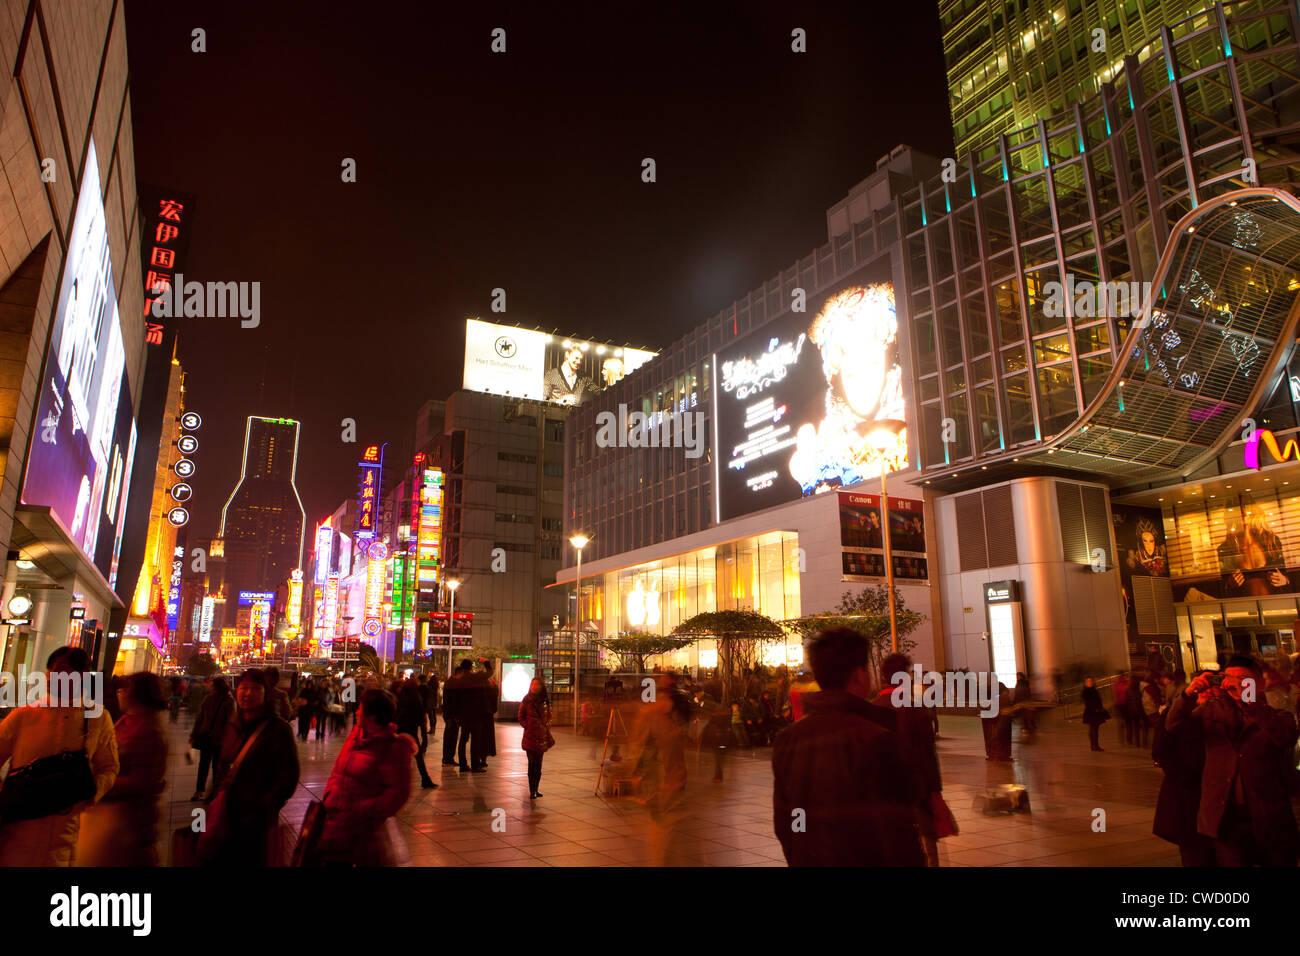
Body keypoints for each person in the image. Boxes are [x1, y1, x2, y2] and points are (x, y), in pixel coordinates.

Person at [772, 628, 923, 866]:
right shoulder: (878, 738)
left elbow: (787, 819)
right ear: (860, 676)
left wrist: (800, 850)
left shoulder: (787, 739)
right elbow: (896, 832)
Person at [1167, 657, 1299, 866]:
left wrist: (1250, 701)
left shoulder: (1276, 711)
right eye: (1230, 677)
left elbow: (1284, 738)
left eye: (1243, 678)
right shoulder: (1212, 709)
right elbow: (1174, 726)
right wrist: (1188, 694)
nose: (1235, 683)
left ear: (1259, 682)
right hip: (1225, 817)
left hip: (1268, 814)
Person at [0, 646, 119, 866]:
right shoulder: (23, 716)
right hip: (16, 830)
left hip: (63, 835)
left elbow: (109, 767)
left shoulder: (97, 718)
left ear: (81, 676)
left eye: (61, 670)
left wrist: (88, 797)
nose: (51, 676)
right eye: (50, 670)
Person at [198, 668, 300, 866]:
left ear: (266, 693)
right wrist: (212, 801)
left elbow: (289, 777)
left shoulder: (278, 729)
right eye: (244, 688)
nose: (248, 693)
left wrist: (263, 807)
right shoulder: (234, 723)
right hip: (226, 814)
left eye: (255, 688)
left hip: (255, 823)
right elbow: (222, 768)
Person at [312, 688, 416, 865]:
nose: (357, 711)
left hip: (365, 835)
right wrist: (330, 797)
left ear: (373, 716)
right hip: (334, 827)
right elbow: (338, 772)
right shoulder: (355, 737)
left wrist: (363, 809)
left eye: (361, 709)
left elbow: (398, 793)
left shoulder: (393, 748)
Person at [78, 673, 169, 866]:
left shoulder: (148, 731)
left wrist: (99, 782)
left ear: (136, 694)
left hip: (126, 826)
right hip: (111, 819)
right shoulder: (128, 720)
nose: (119, 693)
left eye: (123, 689)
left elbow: (141, 781)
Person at [870, 653, 945, 865]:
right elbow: (927, 754)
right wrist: (934, 790)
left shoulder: (872, 708)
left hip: (884, 793)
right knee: (927, 846)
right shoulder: (915, 709)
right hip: (917, 790)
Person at [1153, 671, 1215, 866]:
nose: (1208, 691)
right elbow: (1161, 753)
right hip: (1188, 800)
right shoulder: (1175, 716)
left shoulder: (1223, 714)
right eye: (1204, 686)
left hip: (1217, 804)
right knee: (1195, 854)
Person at [190, 676, 233, 801]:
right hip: (207, 737)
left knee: (216, 767)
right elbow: (200, 717)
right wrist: (194, 733)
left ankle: (214, 791)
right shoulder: (208, 699)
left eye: (213, 686)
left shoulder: (228, 702)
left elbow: (230, 722)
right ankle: (199, 790)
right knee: (203, 765)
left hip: (220, 739)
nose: (211, 688)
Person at [443, 659, 486, 772]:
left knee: (463, 739)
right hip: (475, 714)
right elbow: (489, 673)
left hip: (463, 715)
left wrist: (457, 714)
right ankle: (475, 765)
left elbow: (455, 700)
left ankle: (463, 764)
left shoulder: (458, 681)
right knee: (475, 740)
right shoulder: (475, 678)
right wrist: (485, 662)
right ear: (471, 667)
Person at [395, 677, 436, 789]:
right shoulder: (415, 697)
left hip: (401, 728)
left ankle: (398, 779)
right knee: (418, 756)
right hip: (411, 729)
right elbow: (419, 715)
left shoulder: (401, 697)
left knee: (399, 755)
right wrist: (422, 729)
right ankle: (425, 779)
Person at [519, 678, 552, 799]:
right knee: (532, 764)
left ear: (541, 686)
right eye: (532, 684)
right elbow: (521, 716)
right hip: (530, 736)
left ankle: (536, 789)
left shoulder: (545, 700)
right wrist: (527, 726)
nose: (534, 686)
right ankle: (531, 790)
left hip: (541, 736)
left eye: (537, 684)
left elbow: (549, 714)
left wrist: (547, 724)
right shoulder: (526, 700)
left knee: (539, 765)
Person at [1081, 677, 1109, 751]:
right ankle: (1094, 746)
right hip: (1091, 713)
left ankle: (1095, 745)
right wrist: (1094, 708)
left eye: (1091, 681)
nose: (1090, 682)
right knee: (1093, 730)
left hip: (1096, 712)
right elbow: (1087, 702)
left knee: (1095, 729)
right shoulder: (1086, 691)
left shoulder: (1094, 690)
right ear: (1085, 683)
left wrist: (1100, 708)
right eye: (1088, 681)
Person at [480, 661, 499, 766]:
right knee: (486, 737)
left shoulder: (479, 685)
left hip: (480, 715)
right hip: (488, 715)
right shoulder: (492, 685)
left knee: (479, 737)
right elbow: (494, 700)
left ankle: (480, 758)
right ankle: (483, 758)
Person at [1113, 671, 1131, 746]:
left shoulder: (1116, 684)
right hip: (1126, 705)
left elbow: (1114, 695)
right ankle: (1129, 739)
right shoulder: (1127, 684)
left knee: (1120, 724)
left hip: (1118, 705)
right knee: (1128, 723)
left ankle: (1121, 740)